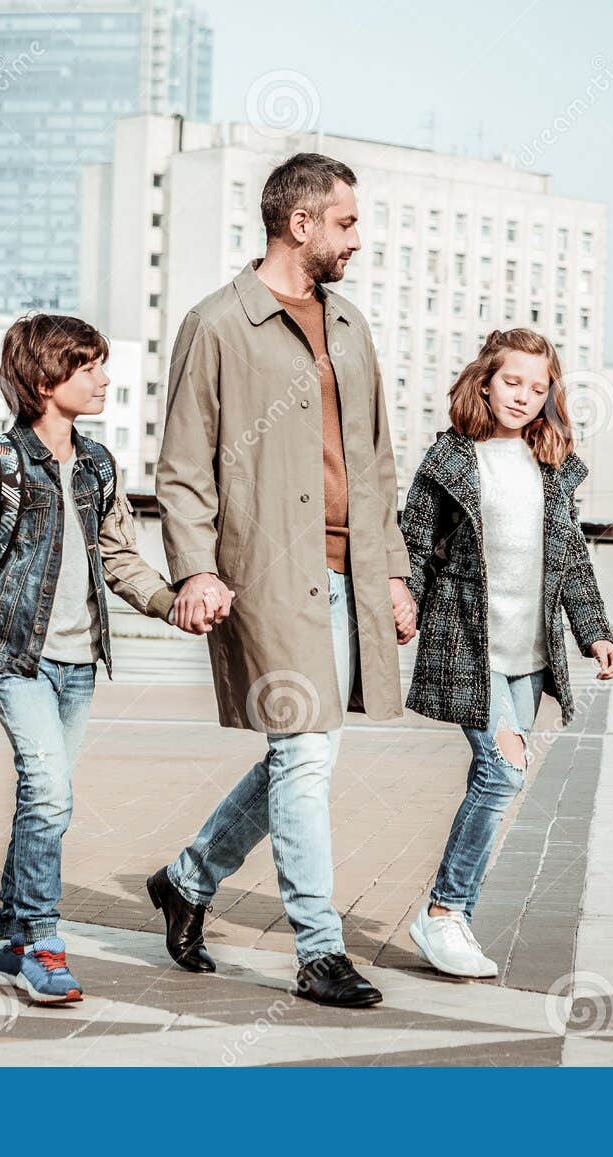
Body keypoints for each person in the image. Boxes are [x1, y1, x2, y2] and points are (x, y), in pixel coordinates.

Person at [145, 153, 417, 1009]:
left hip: (352, 571)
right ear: (300, 224)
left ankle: (187, 879)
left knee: (305, 755)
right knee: (302, 755)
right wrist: (194, 566)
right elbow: (183, 468)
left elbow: (375, 458)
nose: (357, 239)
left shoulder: (350, 325)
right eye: (346, 222)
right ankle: (319, 949)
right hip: (267, 576)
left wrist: (397, 571)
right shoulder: (218, 324)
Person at [0, 314, 176, 1004]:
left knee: (46, 802)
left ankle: (11, 944)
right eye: (88, 367)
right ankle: (43, 941)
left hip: (79, 664)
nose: (104, 379)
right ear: (45, 379)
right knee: (50, 795)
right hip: (15, 660)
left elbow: (120, 556)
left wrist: (169, 601)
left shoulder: (98, 464)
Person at [399, 328, 613, 978]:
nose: (523, 395)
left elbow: (571, 556)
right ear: (485, 381)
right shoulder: (453, 457)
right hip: (468, 642)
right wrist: (404, 598)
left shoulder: (549, 466)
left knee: (495, 778)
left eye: (537, 384)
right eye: (511, 381)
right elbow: (414, 536)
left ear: (550, 392)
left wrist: (595, 631)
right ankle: (441, 914)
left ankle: (456, 916)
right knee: (503, 772)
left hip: (528, 655)